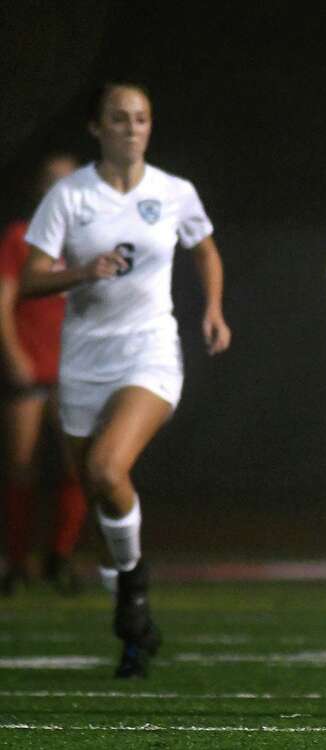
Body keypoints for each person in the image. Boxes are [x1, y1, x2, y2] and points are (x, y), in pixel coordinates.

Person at [21, 82, 232, 678]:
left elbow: (206, 249)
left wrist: (213, 309)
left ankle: (132, 594)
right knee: (97, 492)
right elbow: (30, 280)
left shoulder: (173, 192)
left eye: (141, 117)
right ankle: (131, 605)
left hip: (150, 354)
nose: (132, 127)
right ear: (97, 128)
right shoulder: (70, 196)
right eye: (120, 118)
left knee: (106, 470)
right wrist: (80, 272)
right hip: (85, 359)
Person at [1, 153, 87, 596]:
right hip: (32, 366)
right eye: (51, 181)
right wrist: (13, 353)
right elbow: (4, 299)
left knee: (80, 465)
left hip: (75, 368)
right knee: (20, 466)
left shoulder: (87, 238)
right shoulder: (21, 237)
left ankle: (61, 557)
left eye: (67, 181)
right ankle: (16, 563)